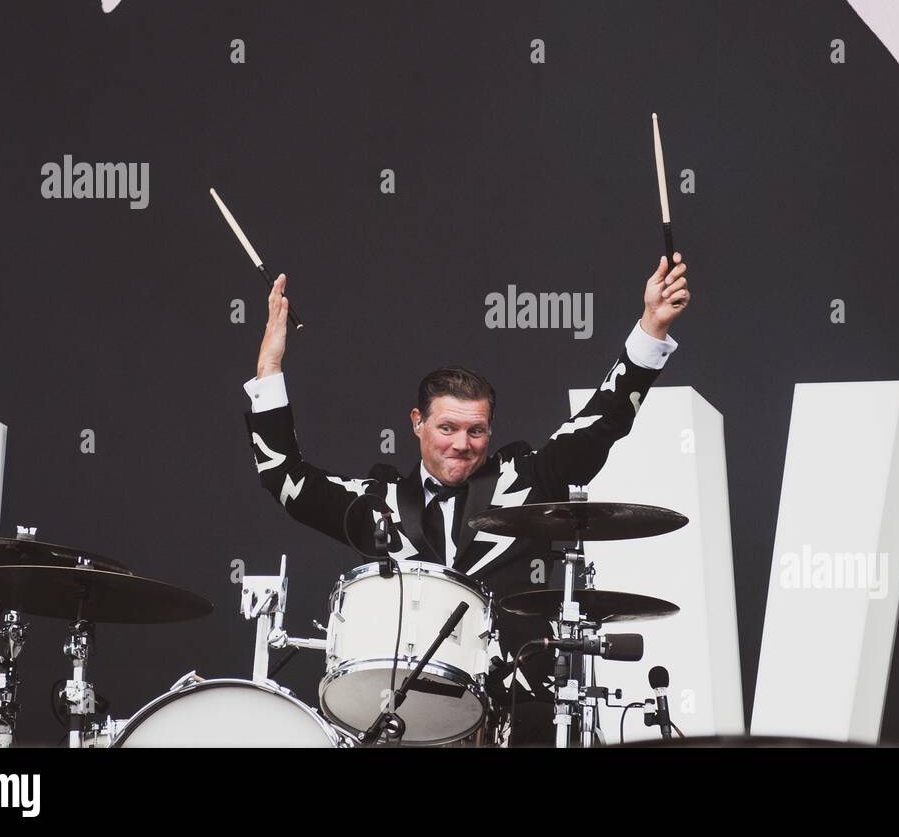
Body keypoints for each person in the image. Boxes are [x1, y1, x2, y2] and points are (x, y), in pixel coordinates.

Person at [242, 253, 691, 743]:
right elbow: (286, 479)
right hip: (403, 715)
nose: (462, 444)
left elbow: (600, 422)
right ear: (417, 423)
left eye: (476, 430)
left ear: (491, 430)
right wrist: (269, 367)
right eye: (447, 428)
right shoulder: (378, 501)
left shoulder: (526, 482)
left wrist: (650, 327)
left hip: (522, 712)